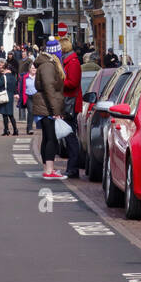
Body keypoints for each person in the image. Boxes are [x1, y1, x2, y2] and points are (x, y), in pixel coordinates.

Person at [30, 40, 66, 180]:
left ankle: (47, 169)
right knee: (51, 139)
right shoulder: (48, 65)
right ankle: (49, 170)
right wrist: (56, 111)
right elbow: (49, 88)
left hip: (45, 106)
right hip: (47, 107)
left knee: (47, 138)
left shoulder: (45, 64)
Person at [58, 36, 82, 178]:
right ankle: (72, 167)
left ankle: (73, 168)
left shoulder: (73, 62)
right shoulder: (69, 61)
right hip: (68, 102)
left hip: (70, 103)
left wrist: (60, 82)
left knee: (70, 136)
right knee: (69, 136)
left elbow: (73, 83)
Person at [0, 63, 18, 136]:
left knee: (5, 114)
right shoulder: (13, 77)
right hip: (10, 96)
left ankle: (6, 130)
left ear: (6, 69)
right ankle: (15, 129)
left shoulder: (4, 77)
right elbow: (15, 87)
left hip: (4, 96)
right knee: (11, 114)